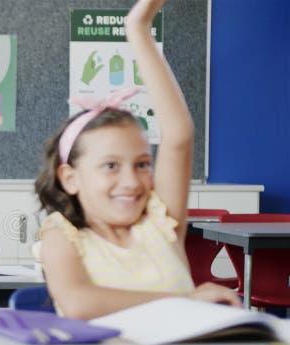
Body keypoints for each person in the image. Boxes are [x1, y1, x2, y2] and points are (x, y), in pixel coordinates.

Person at [34, 0, 241, 320]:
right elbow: (78, 303)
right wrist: (186, 301)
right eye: (110, 166)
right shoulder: (61, 234)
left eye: (142, 164)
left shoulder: (160, 221)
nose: (131, 181)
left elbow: (178, 135)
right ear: (70, 177)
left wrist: (139, 29)